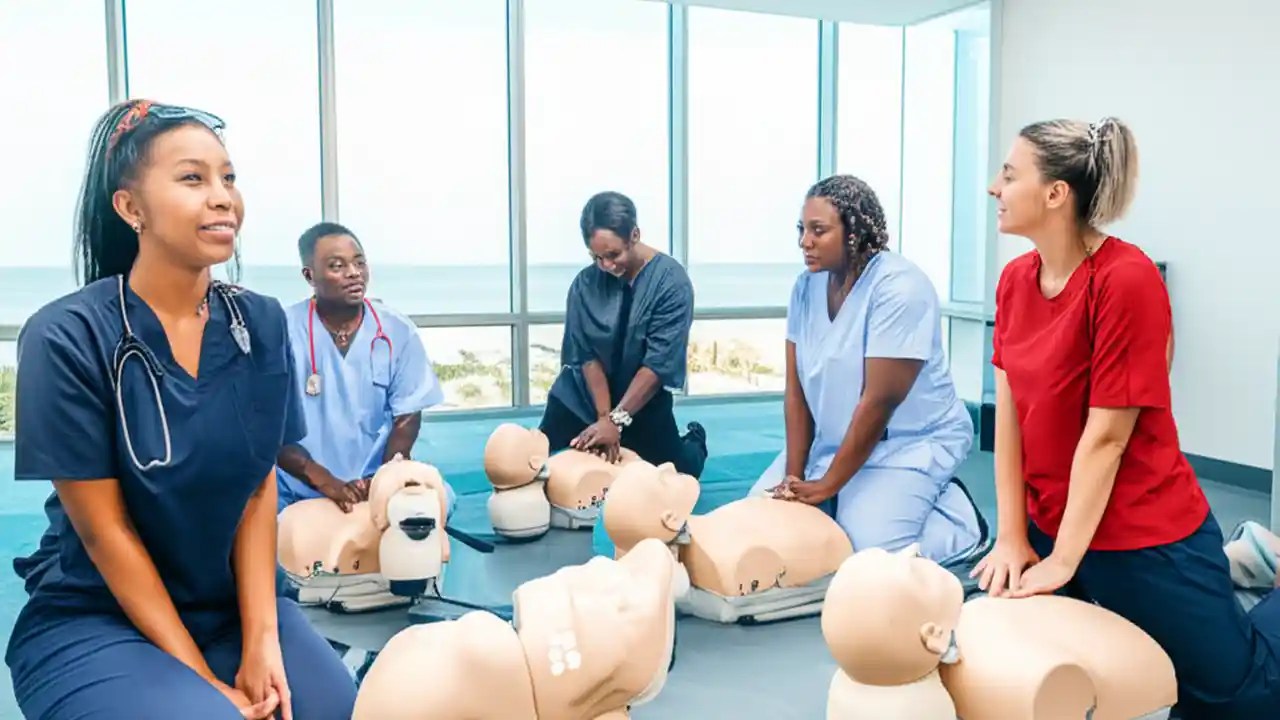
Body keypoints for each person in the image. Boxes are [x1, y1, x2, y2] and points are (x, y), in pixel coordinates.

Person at [4, 99, 355, 719]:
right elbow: (103, 531)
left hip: (230, 610)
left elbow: (257, 489)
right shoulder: (65, 336)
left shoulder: (261, 322)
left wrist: (263, 638)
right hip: (97, 616)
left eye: (228, 177)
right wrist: (200, 680)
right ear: (130, 207)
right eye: (193, 178)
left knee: (331, 707)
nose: (223, 197)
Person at [974, 116, 1280, 718]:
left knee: (1242, 699)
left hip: (1144, 532)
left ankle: (1257, 565)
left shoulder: (1125, 280)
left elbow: (1107, 439)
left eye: (1009, 175)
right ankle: (1241, 561)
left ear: (1056, 193)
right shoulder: (1014, 281)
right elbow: (1007, 415)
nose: (995, 187)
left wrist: (1063, 563)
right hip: (1052, 522)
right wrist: (1012, 534)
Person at [750, 175, 988, 567]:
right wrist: (795, 479)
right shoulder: (805, 288)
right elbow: (797, 393)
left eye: (818, 230)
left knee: (868, 555)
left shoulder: (900, 288)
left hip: (909, 444)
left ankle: (957, 520)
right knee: (763, 521)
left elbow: (879, 402)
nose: (804, 242)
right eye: (802, 229)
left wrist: (828, 484)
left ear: (854, 234)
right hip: (837, 439)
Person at [274, 222, 452, 515]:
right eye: (337, 266)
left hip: (375, 480)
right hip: (299, 485)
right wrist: (324, 481)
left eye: (359, 263)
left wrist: (381, 479)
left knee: (436, 502)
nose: (354, 273)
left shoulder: (397, 331)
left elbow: (406, 418)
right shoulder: (283, 331)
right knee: (269, 534)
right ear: (310, 276)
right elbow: (270, 427)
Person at [541, 191, 707, 477]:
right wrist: (604, 419)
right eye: (596, 257)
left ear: (634, 235)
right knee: (542, 469)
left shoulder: (672, 283)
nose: (606, 265)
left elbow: (657, 364)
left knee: (675, 477)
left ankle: (695, 442)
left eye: (613, 254)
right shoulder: (584, 284)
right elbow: (586, 356)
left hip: (642, 405)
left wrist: (617, 420)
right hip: (580, 399)